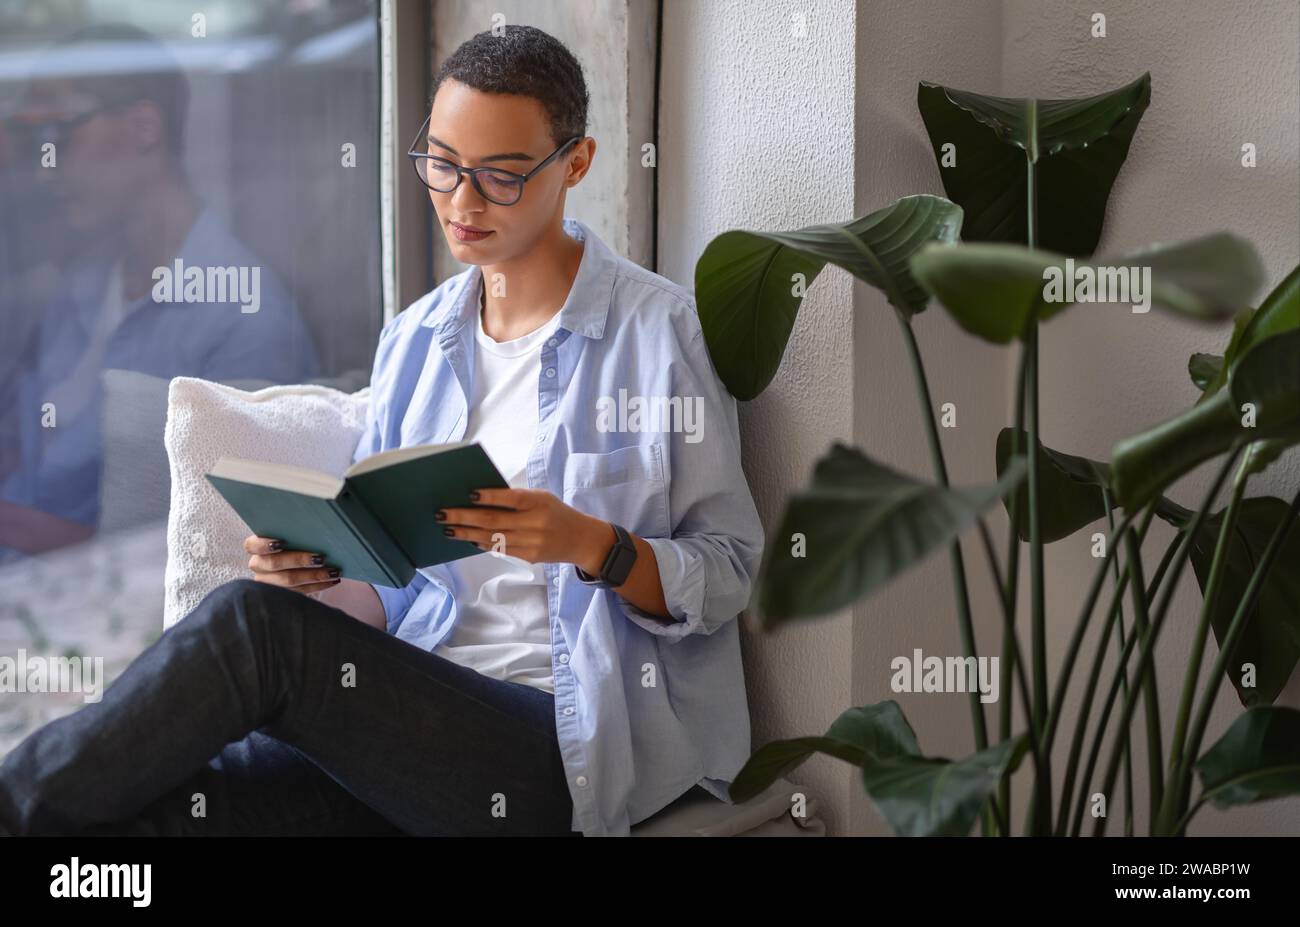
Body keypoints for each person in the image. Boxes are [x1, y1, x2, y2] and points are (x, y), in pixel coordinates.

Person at [0, 24, 764, 838]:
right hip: (409, 734)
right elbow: (387, 597)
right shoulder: (417, 340)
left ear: (575, 163)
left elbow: (728, 571)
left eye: (500, 177)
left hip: (558, 750)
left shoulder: (657, 333)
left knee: (251, 628)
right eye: (441, 164)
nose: (462, 203)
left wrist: (591, 544)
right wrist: (314, 571)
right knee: (168, 802)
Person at [0, 23, 319, 558]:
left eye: (55, 133)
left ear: (146, 127)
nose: (43, 167)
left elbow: (219, 549)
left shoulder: (244, 318)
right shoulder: (80, 285)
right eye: (31, 142)